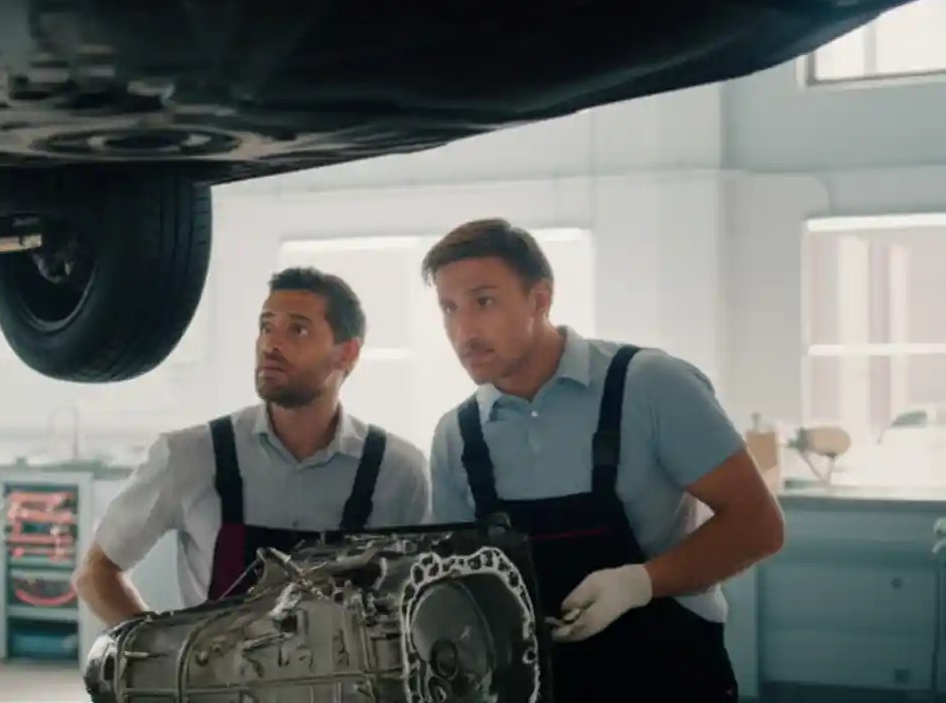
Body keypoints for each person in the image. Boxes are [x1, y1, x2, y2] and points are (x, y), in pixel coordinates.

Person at [422, 218, 784, 701]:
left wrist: (641, 583)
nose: (464, 329)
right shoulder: (457, 436)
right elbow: (454, 583)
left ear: (540, 299)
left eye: (484, 301)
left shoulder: (650, 385)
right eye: (449, 308)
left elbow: (759, 525)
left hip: (668, 674)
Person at [74, 266, 432, 625]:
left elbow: (423, 600)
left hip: (349, 683)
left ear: (348, 353)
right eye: (265, 327)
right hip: (220, 681)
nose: (270, 345)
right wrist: (164, 657)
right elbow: (96, 575)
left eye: (298, 329)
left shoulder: (398, 471)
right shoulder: (190, 456)